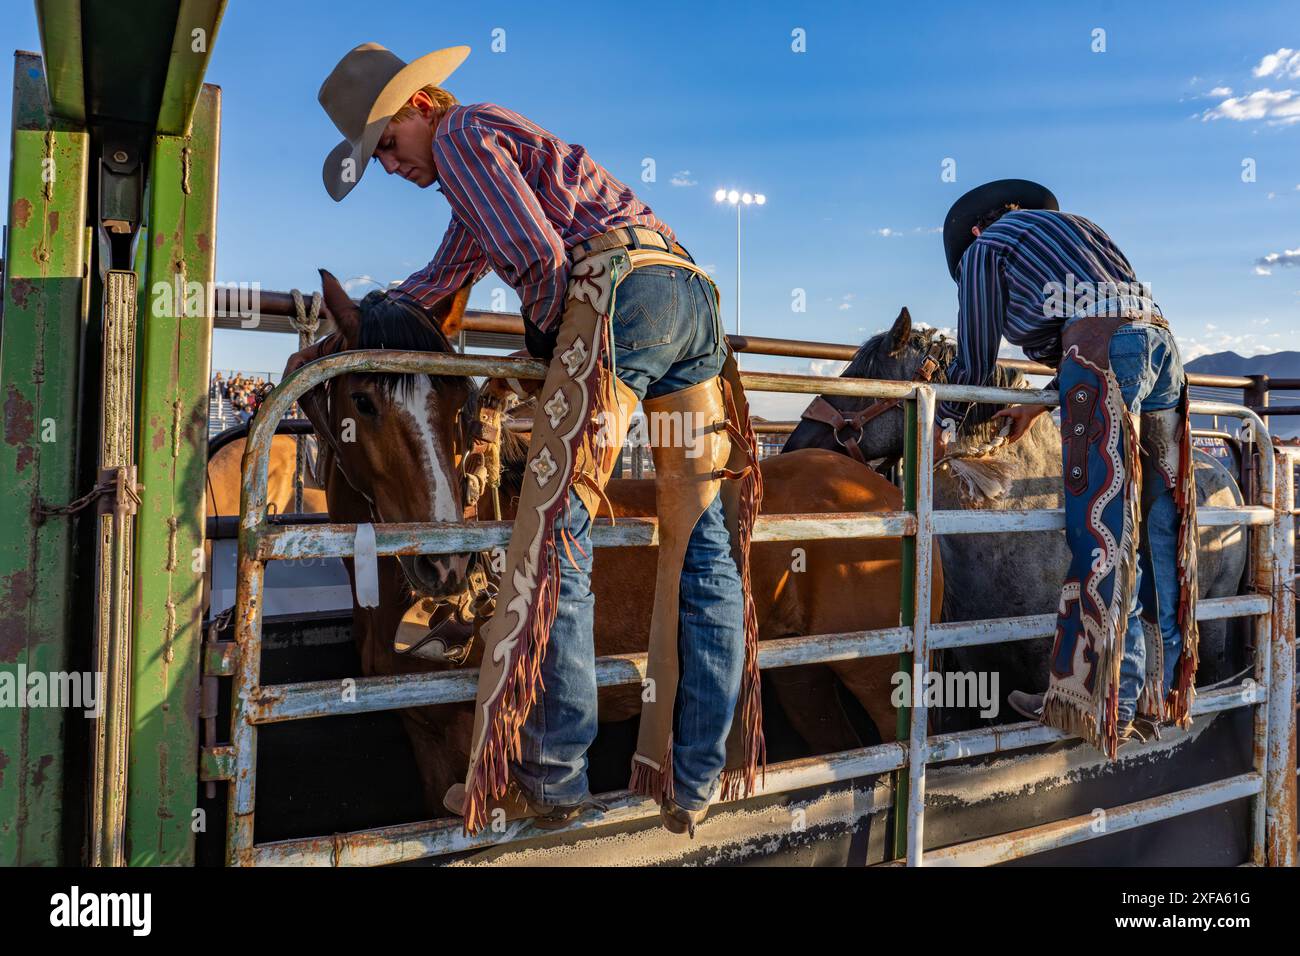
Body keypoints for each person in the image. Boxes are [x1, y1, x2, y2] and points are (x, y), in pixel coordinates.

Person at [295, 41, 765, 836]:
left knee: (555, 528)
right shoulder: (489, 153)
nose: (388, 165)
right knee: (706, 541)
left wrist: (548, 358)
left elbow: (543, 263)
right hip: (689, 296)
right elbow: (441, 279)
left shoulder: (460, 141)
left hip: (619, 297)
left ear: (419, 106)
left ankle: (553, 771)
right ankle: (697, 770)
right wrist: (362, 331)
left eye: (385, 145)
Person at [936, 179, 1200, 758]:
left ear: (974, 231)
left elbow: (975, 358)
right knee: (1162, 523)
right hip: (1162, 347)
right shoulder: (1083, 229)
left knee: (1101, 528)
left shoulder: (985, 251)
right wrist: (1041, 402)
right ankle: (1161, 689)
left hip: (1104, 356)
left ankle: (1100, 699)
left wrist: (943, 417)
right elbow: (1115, 313)